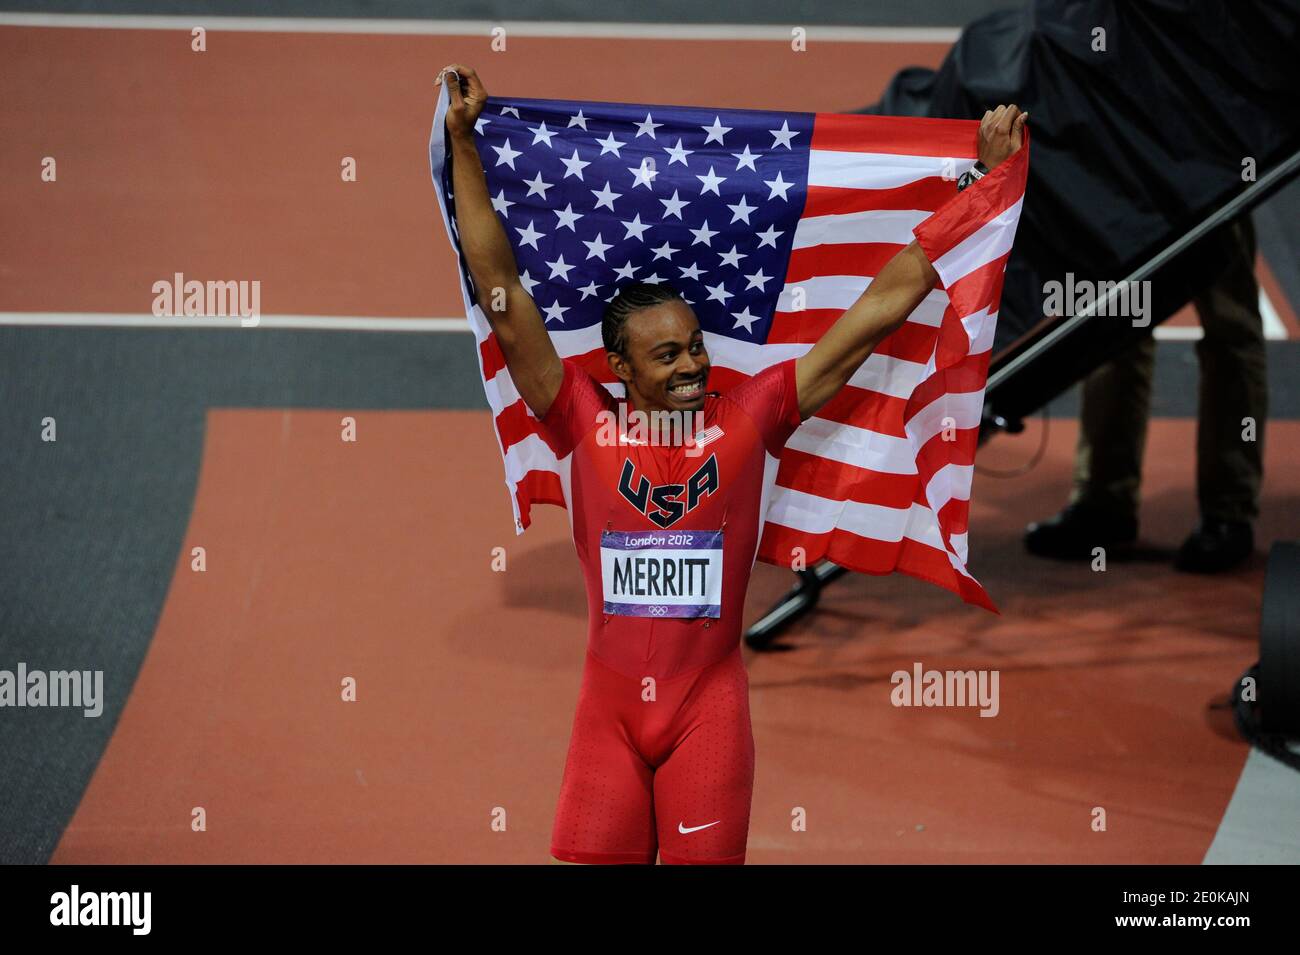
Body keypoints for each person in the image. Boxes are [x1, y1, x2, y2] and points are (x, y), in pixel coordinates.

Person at [437, 63, 1027, 864]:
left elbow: (880, 308)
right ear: (619, 367)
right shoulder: (578, 418)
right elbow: (498, 282)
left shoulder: (753, 418)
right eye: (668, 353)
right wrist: (463, 143)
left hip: (706, 714)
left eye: (698, 346)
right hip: (605, 715)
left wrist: (978, 189)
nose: (691, 364)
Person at [1023, 217, 1266, 571]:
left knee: (1228, 318)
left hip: (1216, 164)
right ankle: (1104, 501)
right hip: (1133, 168)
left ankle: (1229, 510)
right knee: (1116, 312)